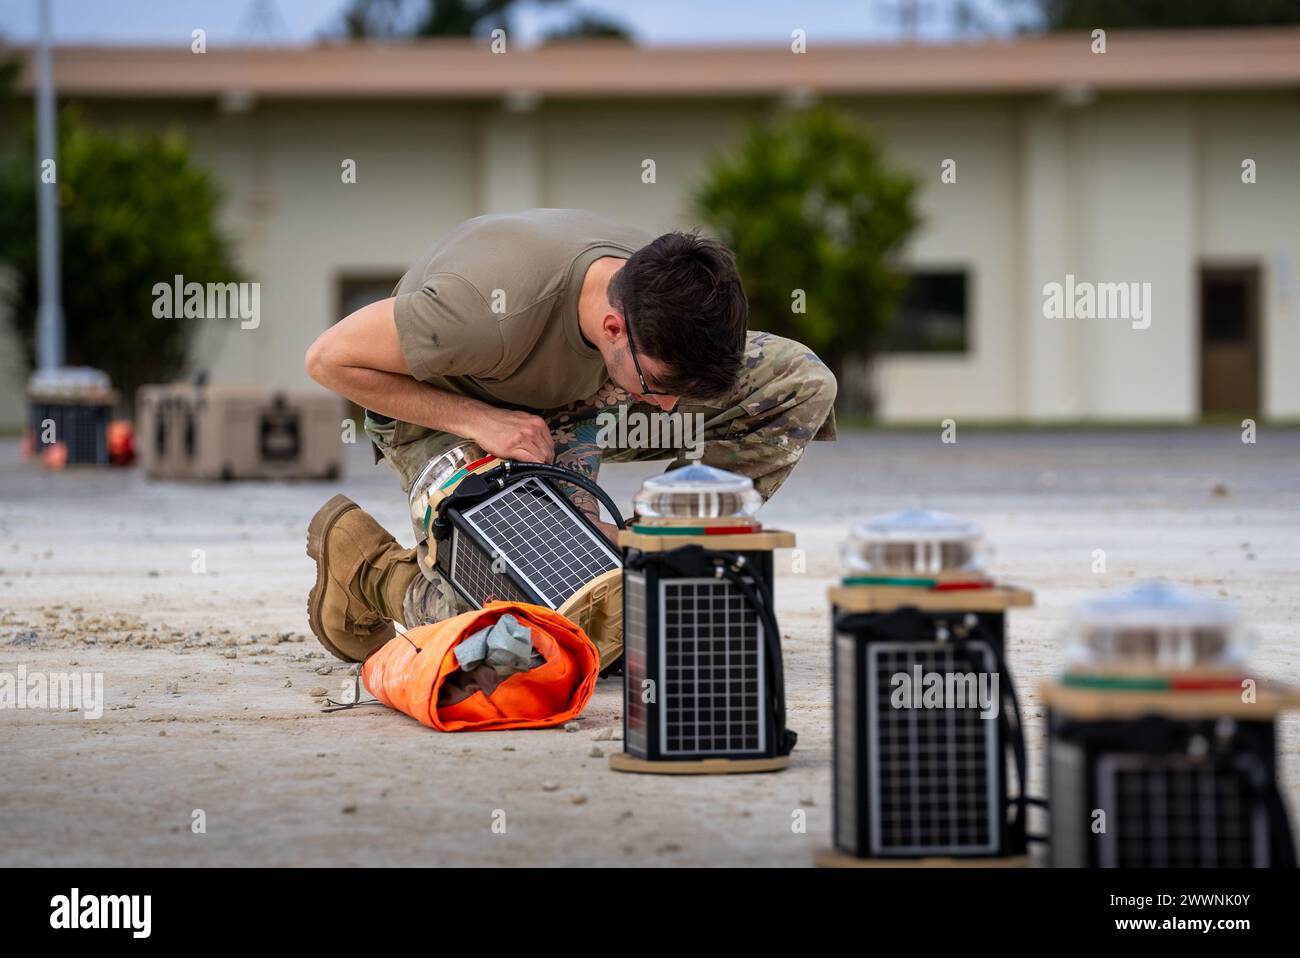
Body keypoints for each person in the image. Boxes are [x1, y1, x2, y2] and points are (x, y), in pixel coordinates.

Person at [303, 208, 836, 661]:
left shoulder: (659, 291)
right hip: (450, 409)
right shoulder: (481, 314)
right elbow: (330, 359)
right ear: (613, 329)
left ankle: (650, 550)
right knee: (528, 636)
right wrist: (480, 422)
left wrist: (626, 542)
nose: (670, 409)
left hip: (575, 401)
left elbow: (689, 381)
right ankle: (367, 569)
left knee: (799, 379)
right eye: (661, 386)